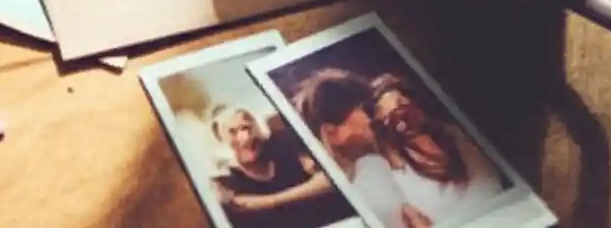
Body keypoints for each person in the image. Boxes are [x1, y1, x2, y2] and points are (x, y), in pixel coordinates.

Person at [292, 69, 431, 228]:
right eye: (363, 108)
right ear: (331, 132)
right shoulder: (358, 193)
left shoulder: (385, 162)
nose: (371, 117)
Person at [369, 73, 505, 223]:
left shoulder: (460, 135)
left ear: (416, 104)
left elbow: (492, 188)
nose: (401, 126)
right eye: (390, 121)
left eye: (403, 112)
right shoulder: (401, 176)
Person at [208, 104, 353, 228]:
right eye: (233, 132)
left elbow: (330, 179)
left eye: (246, 127)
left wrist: (268, 201)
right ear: (221, 138)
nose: (245, 138)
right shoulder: (227, 182)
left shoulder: (282, 142)